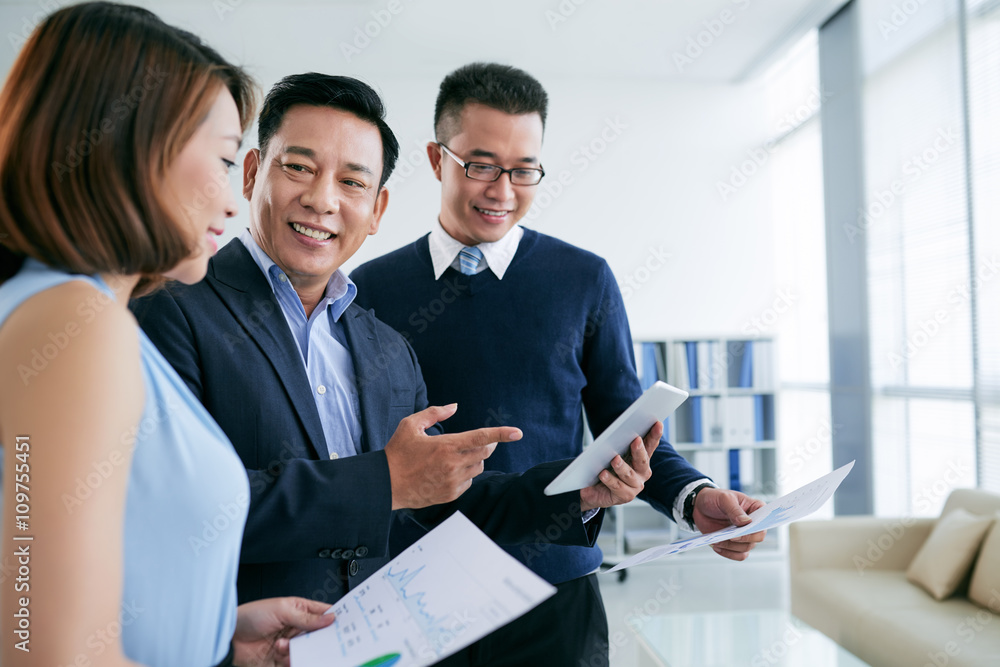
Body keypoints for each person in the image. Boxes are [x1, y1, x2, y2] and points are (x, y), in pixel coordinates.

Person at [130, 72, 660, 609]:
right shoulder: (169, 311)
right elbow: (176, 507)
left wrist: (576, 494)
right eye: (298, 167)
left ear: (378, 210)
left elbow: (430, 499)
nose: (321, 199)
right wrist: (384, 479)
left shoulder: (385, 346)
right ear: (251, 174)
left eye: (353, 182)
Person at [350, 62, 769, 667]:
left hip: (555, 589)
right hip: (418, 589)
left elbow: (626, 424)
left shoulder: (582, 279)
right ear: (436, 159)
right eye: (481, 165)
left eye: (524, 170)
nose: (502, 190)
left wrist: (693, 498)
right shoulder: (369, 289)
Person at [0, 4, 338, 666]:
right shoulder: (74, 326)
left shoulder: (69, 314)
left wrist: (217, 636)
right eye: (221, 158)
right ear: (127, 148)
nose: (235, 201)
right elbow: (43, 650)